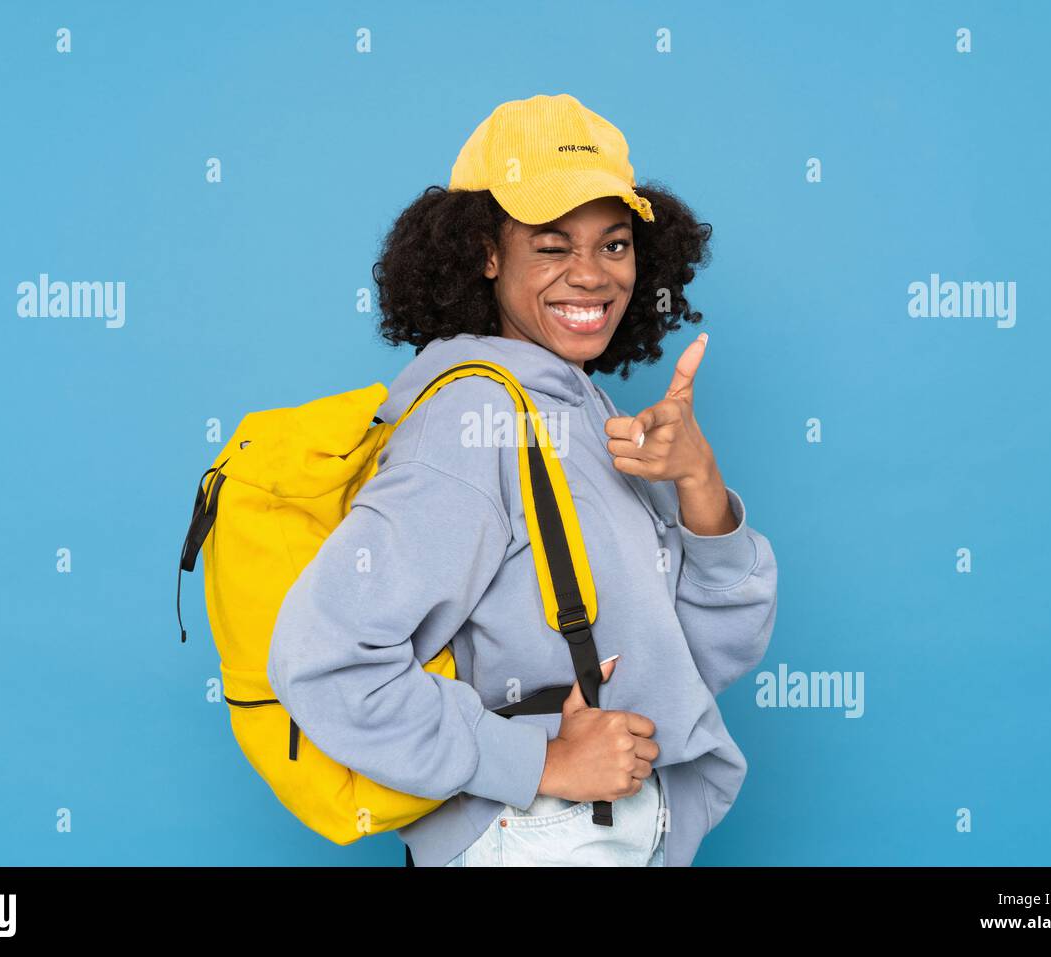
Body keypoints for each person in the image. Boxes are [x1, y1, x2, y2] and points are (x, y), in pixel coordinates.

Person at [266, 93, 778, 867]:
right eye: (551, 245)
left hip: (613, 828)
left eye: (613, 244)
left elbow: (702, 660)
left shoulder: (579, 414)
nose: (591, 275)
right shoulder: (477, 421)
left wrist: (700, 484)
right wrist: (540, 762)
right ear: (486, 254)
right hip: (541, 834)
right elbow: (321, 654)